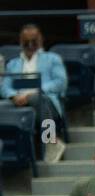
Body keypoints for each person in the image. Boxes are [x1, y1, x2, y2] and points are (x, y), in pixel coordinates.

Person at [1, 25, 67, 163]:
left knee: (38, 99)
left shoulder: (52, 59)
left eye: (34, 41)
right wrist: (14, 96)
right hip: (18, 102)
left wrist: (34, 92)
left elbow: (61, 82)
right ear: (20, 42)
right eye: (26, 42)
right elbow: (4, 87)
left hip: (46, 101)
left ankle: (51, 141)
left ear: (41, 40)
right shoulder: (13, 64)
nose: (30, 45)